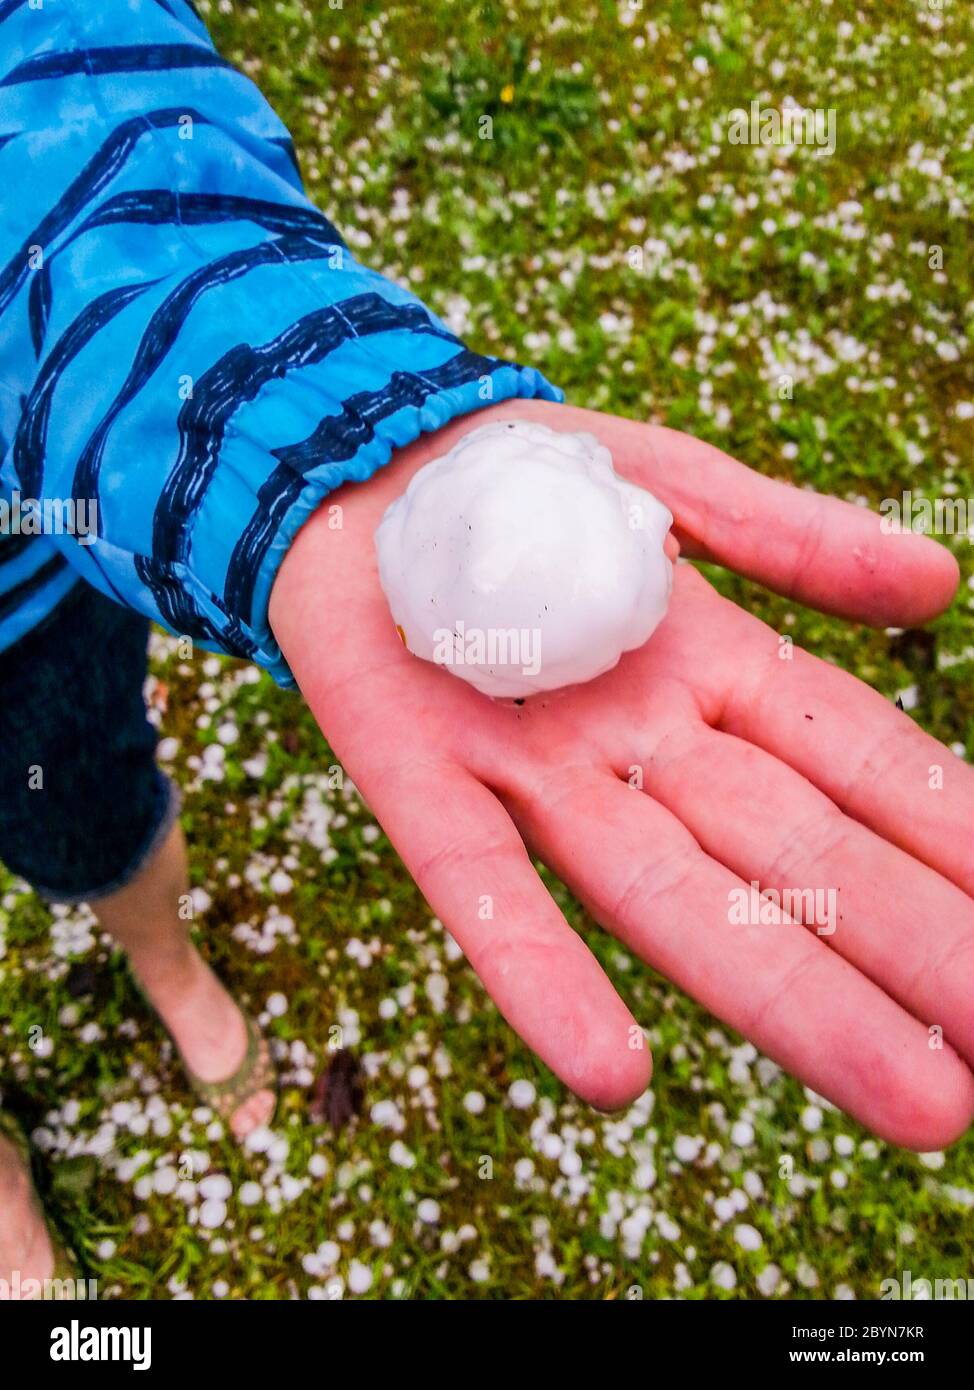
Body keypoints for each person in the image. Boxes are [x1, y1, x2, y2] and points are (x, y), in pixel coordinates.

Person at [2, 0, 973, 1293]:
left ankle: (159, 955)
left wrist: (293, 431)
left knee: (81, 804)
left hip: (24, 586)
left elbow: (67, 98)